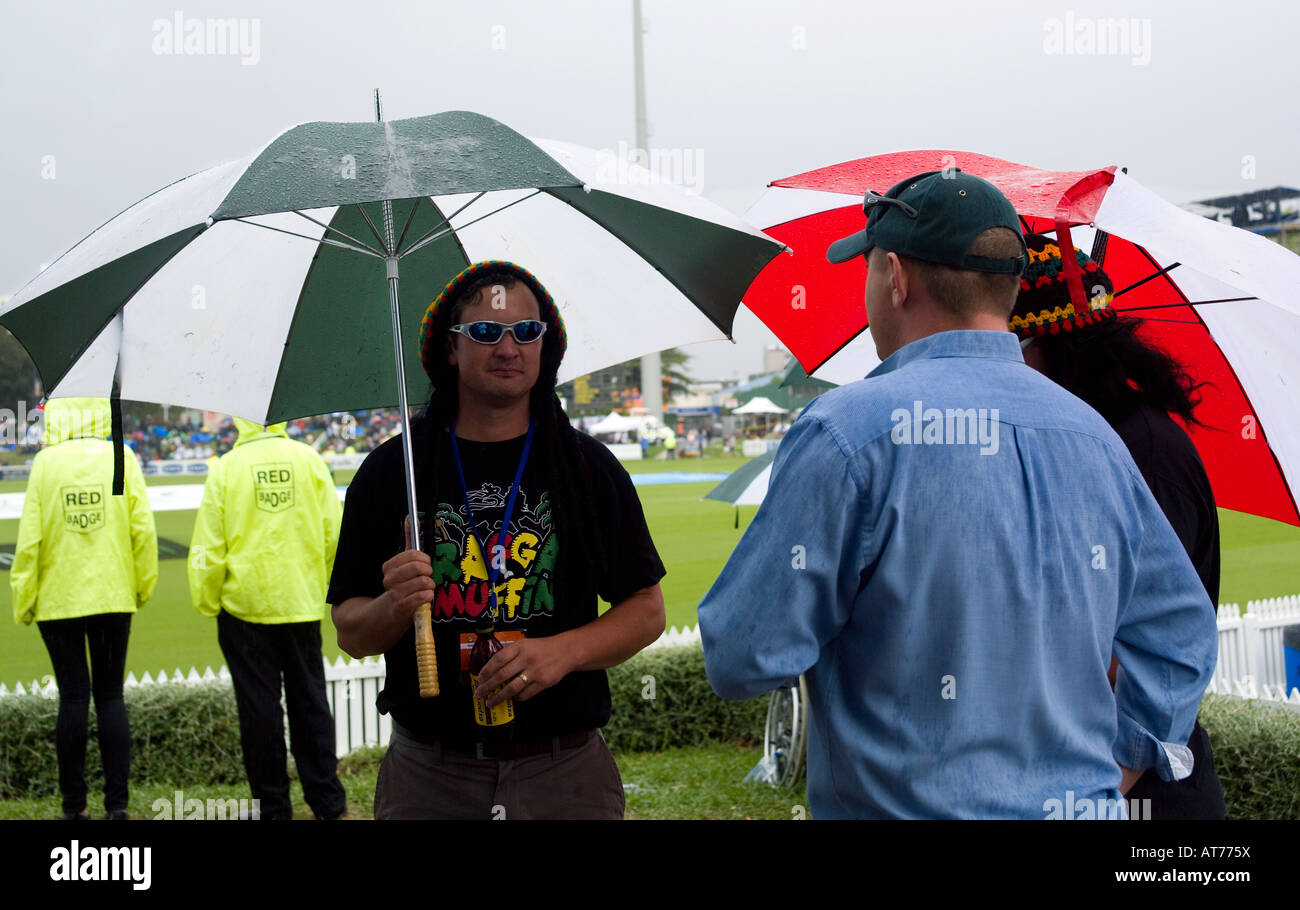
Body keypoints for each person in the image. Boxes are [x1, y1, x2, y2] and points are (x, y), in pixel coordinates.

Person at [699, 169, 1220, 819]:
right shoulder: (1096, 437)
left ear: (896, 276)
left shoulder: (848, 432)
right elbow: (1179, 634)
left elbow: (742, 654)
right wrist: (1115, 773)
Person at [329, 260, 666, 820]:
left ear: (546, 347)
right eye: (485, 332)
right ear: (452, 349)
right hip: (430, 776)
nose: (508, 347)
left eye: (526, 331)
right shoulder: (394, 472)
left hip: (564, 772)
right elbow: (351, 635)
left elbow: (647, 610)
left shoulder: (586, 467)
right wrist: (396, 602)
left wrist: (560, 653)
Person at [1012, 233, 1226, 819]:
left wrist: (1104, 788)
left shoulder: (1142, 451)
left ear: (1054, 347)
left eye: (1009, 350)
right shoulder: (1074, 441)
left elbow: (1144, 642)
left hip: (1140, 791)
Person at [188, 417, 347, 821]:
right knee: (310, 702)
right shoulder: (310, 460)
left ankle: (273, 807)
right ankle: (327, 800)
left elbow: (208, 547)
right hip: (300, 601)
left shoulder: (226, 468)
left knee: (258, 710)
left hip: (244, 607)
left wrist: (207, 601)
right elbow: (334, 534)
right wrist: (324, 586)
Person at [11, 397, 158, 821]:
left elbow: (30, 540)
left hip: (59, 601)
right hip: (114, 596)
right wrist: (141, 588)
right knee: (111, 696)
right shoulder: (122, 456)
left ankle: (74, 807)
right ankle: (118, 806)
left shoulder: (45, 464)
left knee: (72, 698)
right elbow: (143, 531)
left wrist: (24, 600)